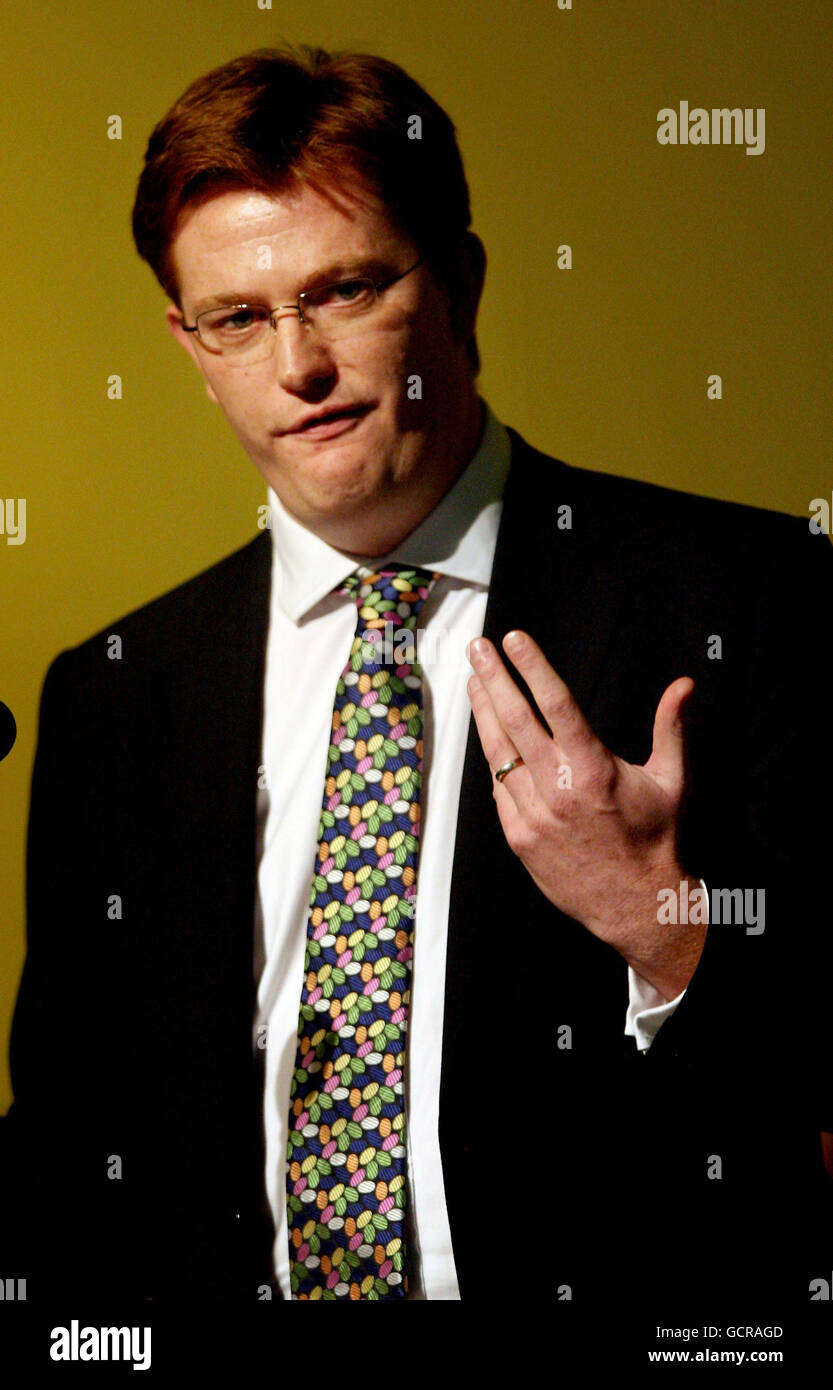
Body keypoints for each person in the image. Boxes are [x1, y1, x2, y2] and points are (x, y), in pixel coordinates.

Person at [2, 44, 831, 1318]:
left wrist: (666, 923)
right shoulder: (114, 691)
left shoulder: (753, 598)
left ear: (460, 281)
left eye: (343, 292)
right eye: (238, 317)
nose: (297, 368)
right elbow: (71, 1146)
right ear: (186, 339)